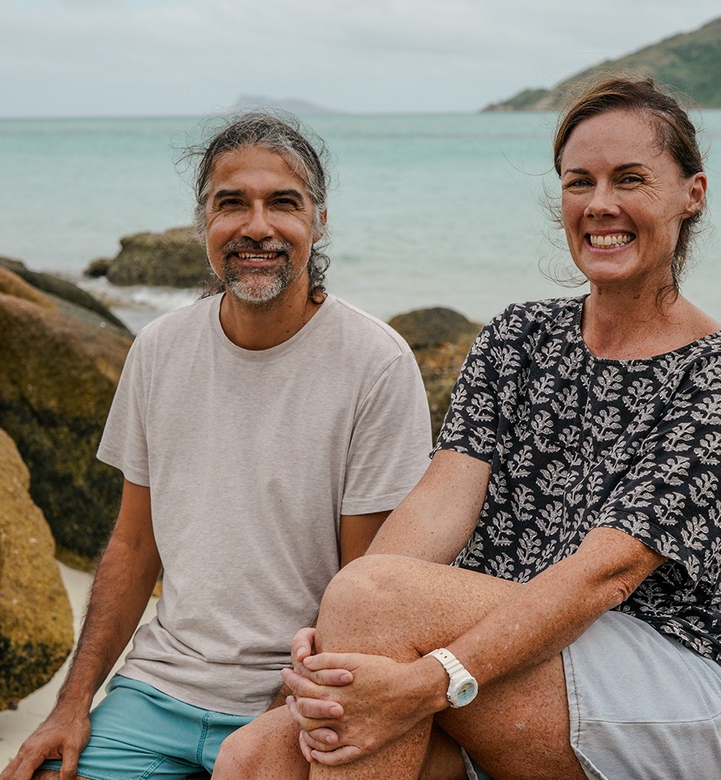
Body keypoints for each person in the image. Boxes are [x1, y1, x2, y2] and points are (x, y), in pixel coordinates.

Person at [212, 77, 721, 780]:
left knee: (373, 604)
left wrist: (428, 679)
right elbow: (439, 504)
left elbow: (605, 575)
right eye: (580, 182)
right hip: (511, 651)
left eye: (630, 179)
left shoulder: (711, 374)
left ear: (692, 193)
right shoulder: (520, 336)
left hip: (657, 680)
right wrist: (341, 629)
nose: (601, 205)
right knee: (252, 754)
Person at [0, 112, 432, 780]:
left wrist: (279, 725)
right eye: (232, 203)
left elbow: (364, 589)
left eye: (282, 203)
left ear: (318, 222)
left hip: (292, 697)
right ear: (203, 223)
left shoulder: (375, 363)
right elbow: (133, 547)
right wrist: (72, 703)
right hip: (158, 688)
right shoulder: (158, 350)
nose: (256, 226)